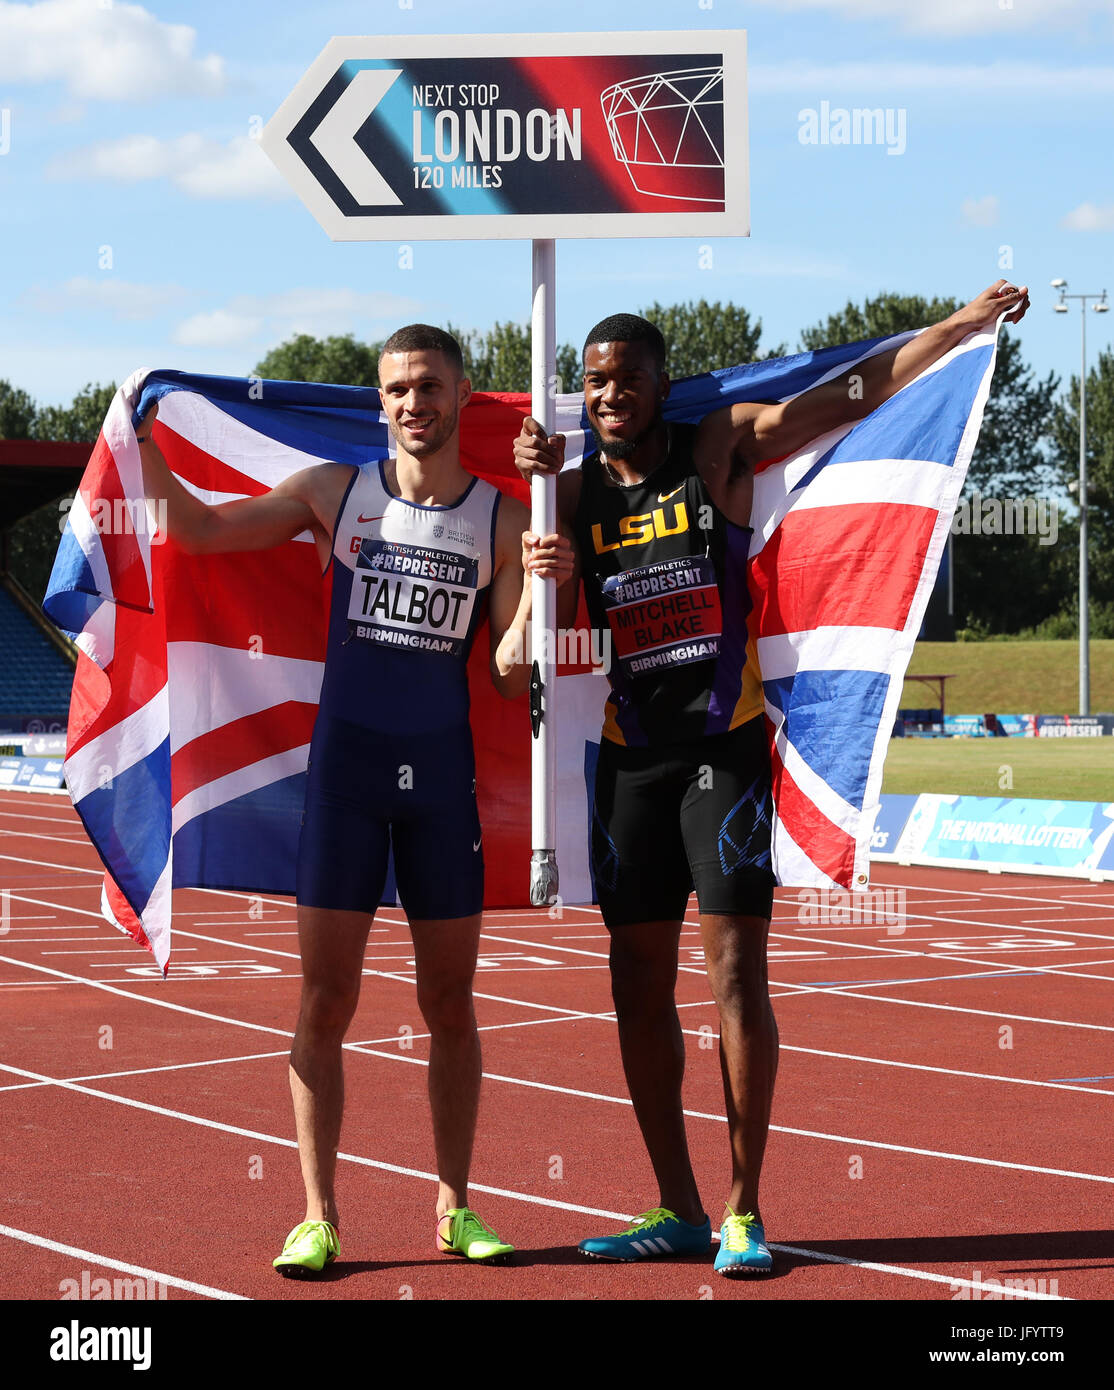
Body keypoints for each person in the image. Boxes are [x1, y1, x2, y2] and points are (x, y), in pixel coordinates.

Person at [514, 282, 1030, 1275]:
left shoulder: (716, 447)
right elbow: (518, 597)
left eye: (626, 376)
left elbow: (844, 395)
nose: (610, 391)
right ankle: (674, 1204)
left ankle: (744, 1208)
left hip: (723, 744)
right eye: (593, 380)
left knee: (735, 976)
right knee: (634, 989)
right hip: (629, 758)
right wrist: (531, 508)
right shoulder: (570, 493)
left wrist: (956, 330)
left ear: (662, 383)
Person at [133, 325, 572, 1275]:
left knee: (449, 1002)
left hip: (439, 784)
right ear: (380, 402)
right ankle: (318, 1214)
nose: (413, 403)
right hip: (346, 783)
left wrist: (536, 597)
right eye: (396, 389)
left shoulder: (501, 518)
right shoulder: (337, 493)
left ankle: (456, 1206)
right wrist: (137, 455)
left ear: (461, 395)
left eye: (429, 386)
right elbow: (203, 532)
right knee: (326, 997)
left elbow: (504, 678)